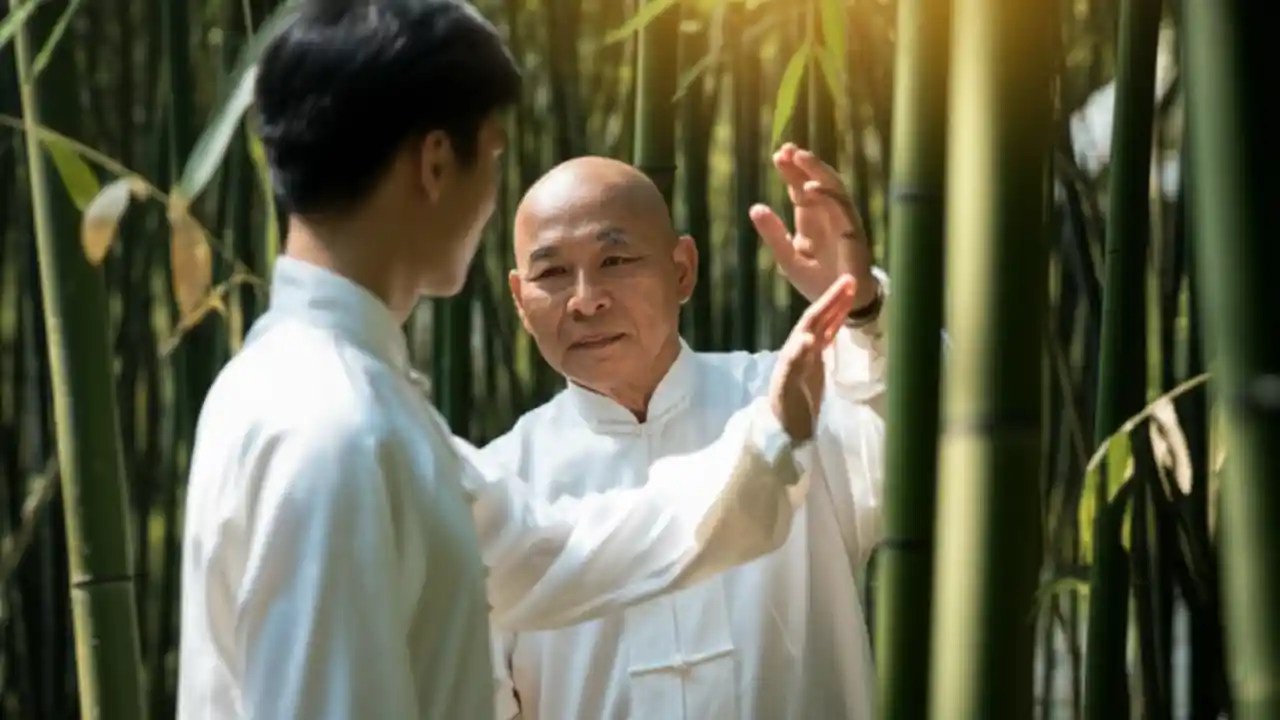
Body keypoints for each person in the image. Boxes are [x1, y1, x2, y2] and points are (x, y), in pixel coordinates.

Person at [174, 2, 857, 718]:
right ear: (437, 162)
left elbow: (549, 553)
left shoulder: (310, 388)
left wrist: (771, 432)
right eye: (495, 156)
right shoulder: (335, 429)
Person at [486, 148, 889, 720]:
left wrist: (862, 308)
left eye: (616, 260)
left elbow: (934, 435)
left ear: (682, 270)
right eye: (551, 272)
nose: (585, 298)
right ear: (520, 301)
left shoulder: (794, 394)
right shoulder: (504, 480)